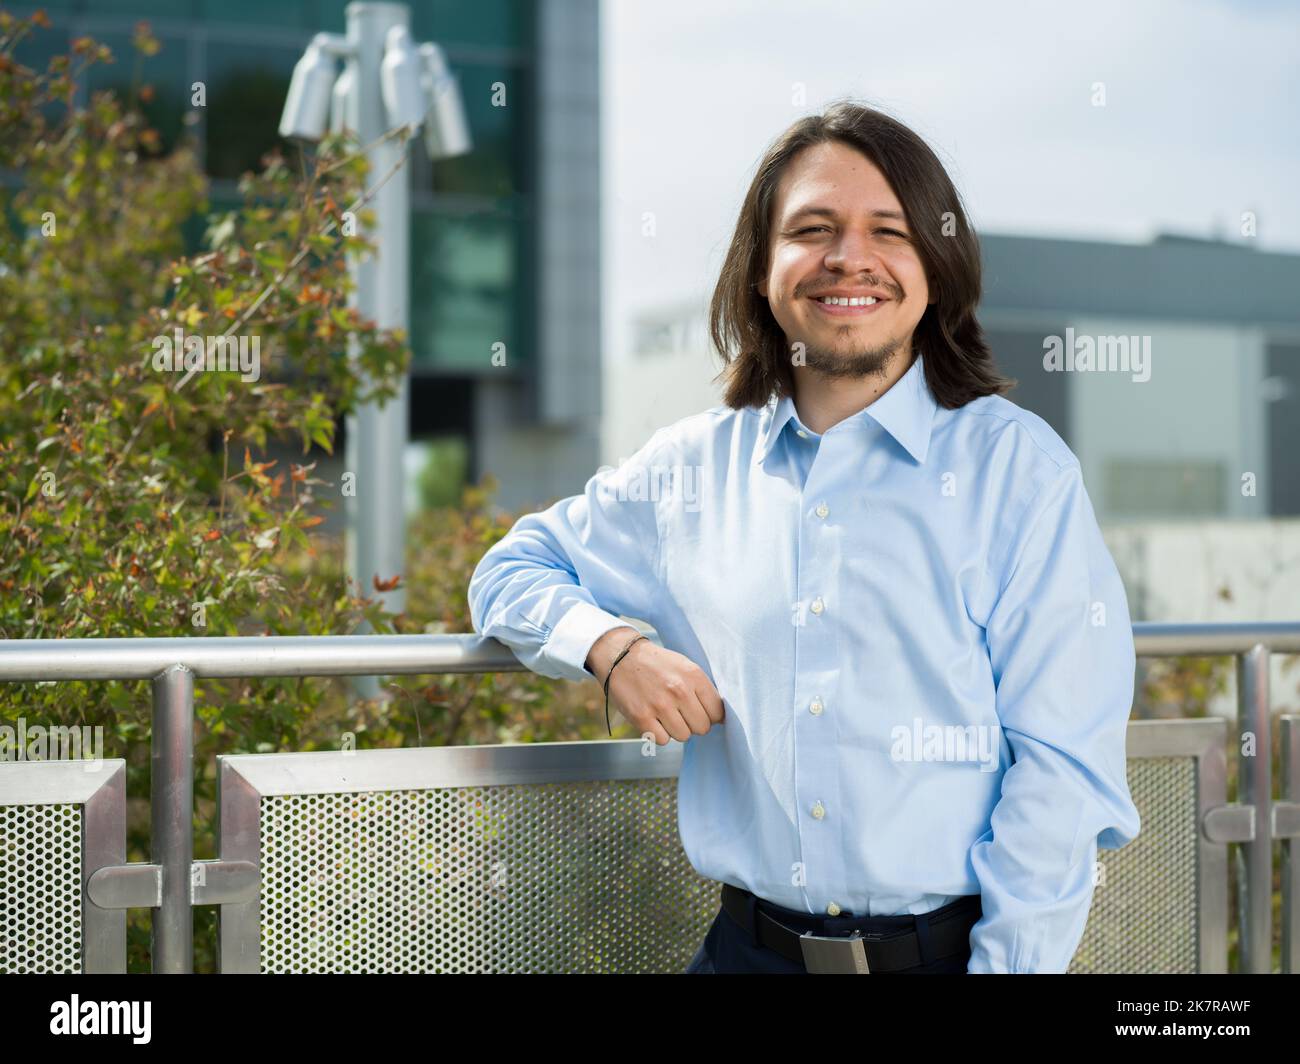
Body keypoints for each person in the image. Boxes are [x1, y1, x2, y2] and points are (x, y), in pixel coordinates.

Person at [468, 99, 1140, 974]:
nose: (847, 258)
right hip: (744, 955)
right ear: (763, 269)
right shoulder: (690, 468)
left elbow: (1061, 770)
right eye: (812, 228)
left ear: (936, 266)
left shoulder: (1018, 472)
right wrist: (612, 647)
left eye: (887, 231)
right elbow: (511, 569)